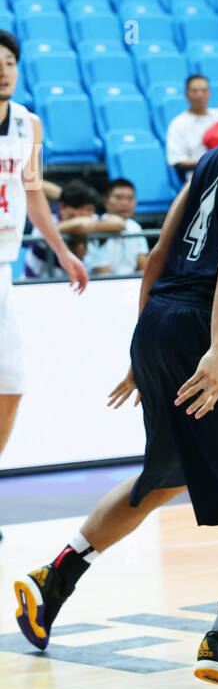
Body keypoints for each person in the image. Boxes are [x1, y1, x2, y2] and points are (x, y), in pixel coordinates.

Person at [15, 39, 218, 689]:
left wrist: (143, 347)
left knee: (163, 477)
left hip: (163, 321)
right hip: (209, 326)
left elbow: (161, 249)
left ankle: (55, 578)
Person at [0, 31, 88, 468]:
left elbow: (33, 194)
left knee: (11, 385)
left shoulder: (27, 122)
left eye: (10, 63)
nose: (3, 71)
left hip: (3, 265)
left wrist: (63, 252)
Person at [166, 75, 218, 178]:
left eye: (204, 90)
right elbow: (177, 161)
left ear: (209, 93)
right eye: (194, 91)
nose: (199, 95)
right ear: (186, 94)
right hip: (199, 177)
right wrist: (211, 162)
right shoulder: (178, 124)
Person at [88, 179, 150, 276]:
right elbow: (101, 274)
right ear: (106, 201)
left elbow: (143, 268)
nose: (125, 203)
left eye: (130, 198)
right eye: (118, 198)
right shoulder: (96, 225)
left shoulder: (135, 227)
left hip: (132, 285)